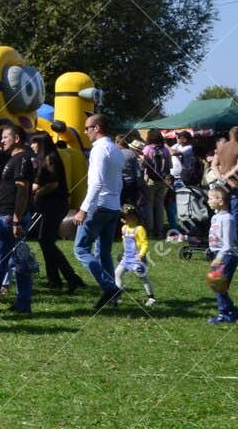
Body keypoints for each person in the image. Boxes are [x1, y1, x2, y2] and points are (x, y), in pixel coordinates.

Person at [0, 123, 36, 313]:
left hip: (10, 218)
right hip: (8, 215)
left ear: (17, 138)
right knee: (18, 261)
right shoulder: (16, 158)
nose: (1, 141)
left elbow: (22, 191)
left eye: (5, 137)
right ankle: (23, 303)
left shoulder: (22, 159)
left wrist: (16, 219)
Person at [71, 113, 126, 312]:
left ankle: (110, 288)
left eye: (87, 128)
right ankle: (112, 296)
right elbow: (118, 181)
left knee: (80, 250)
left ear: (97, 128)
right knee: (103, 252)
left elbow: (96, 182)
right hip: (113, 206)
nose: (85, 132)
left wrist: (84, 209)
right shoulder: (116, 150)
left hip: (99, 206)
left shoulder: (99, 150)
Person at [30, 132, 84, 293]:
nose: (32, 145)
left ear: (41, 144)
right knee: (45, 242)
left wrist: (37, 193)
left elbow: (54, 182)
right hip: (50, 205)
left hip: (55, 204)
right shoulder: (45, 158)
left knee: (46, 242)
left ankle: (71, 277)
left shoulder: (50, 158)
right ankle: (55, 279)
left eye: (34, 143)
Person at [205, 185, 238, 324]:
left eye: (211, 198)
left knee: (217, 283)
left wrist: (219, 258)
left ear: (221, 201)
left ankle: (225, 313)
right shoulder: (215, 217)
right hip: (219, 254)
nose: (208, 200)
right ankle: (233, 311)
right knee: (215, 283)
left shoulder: (228, 219)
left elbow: (228, 243)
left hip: (229, 255)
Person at [114, 203, 154, 308]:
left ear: (133, 217)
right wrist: (120, 253)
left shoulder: (139, 229)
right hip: (127, 257)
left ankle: (151, 297)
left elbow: (145, 243)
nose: (122, 220)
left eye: (124, 217)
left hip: (137, 258)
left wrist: (141, 255)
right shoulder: (124, 228)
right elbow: (124, 242)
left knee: (143, 277)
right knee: (117, 273)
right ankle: (118, 297)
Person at [210, 124, 238, 235]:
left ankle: (222, 236)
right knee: (236, 214)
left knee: (224, 212)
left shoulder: (221, 148)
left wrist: (220, 177)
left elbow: (213, 165)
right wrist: (227, 176)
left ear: (230, 135)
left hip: (223, 186)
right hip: (237, 185)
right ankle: (232, 238)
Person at [140, 129, 171, 238]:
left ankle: (150, 231)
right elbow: (169, 166)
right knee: (159, 205)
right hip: (162, 180)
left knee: (149, 205)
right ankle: (160, 230)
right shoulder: (166, 150)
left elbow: (142, 166)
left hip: (150, 181)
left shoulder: (147, 149)